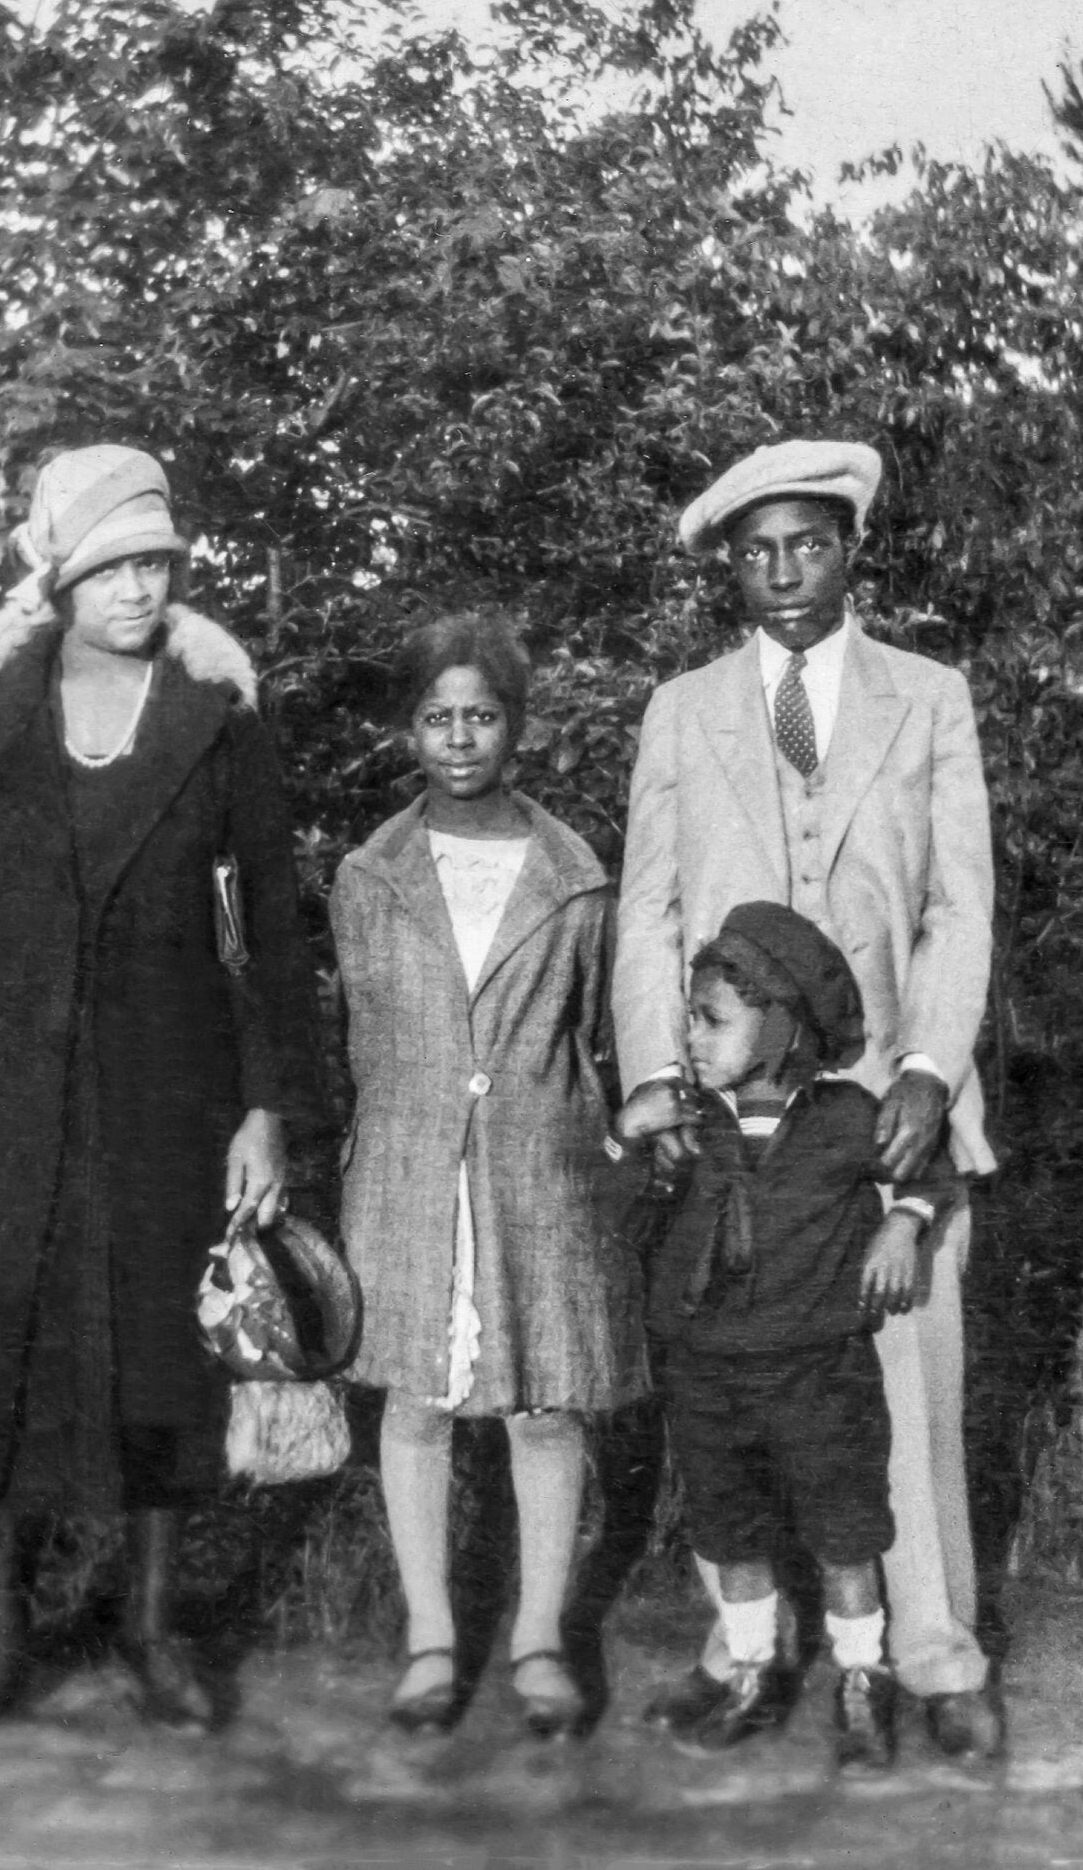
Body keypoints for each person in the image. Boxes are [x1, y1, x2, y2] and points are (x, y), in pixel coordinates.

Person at [0, 444, 321, 1734]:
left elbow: (270, 930)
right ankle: (1, 1628)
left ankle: (149, 1621)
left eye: (157, 563)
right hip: (4, 1083)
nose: (137, 588)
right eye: (111, 564)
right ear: (59, 576)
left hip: (166, 1081)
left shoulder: (218, 713)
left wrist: (264, 1104)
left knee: (164, 1350)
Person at [611, 438, 1004, 1760]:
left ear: (853, 549)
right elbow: (649, 907)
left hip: (888, 1104)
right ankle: (747, 1653)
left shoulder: (930, 696)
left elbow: (959, 903)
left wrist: (930, 1069)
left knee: (904, 1387)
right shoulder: (684, 709)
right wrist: (661, 1075)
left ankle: (939, 1657)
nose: (784, 573)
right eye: (757, 549)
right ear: (731, 562)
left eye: (810, 544)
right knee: (737, 1390)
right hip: (735, 1121)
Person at [328, 612, 643, 1738]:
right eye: (438, 716)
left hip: (539, 1165)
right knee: (415, 1400)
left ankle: (543, 1637)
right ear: (410, 728)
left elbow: (602, 1028)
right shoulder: (370, 873)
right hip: (410, 1163)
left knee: (544, 1405)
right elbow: (363, 1033)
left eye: (482, 715)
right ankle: (427, 1638)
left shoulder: (574, 872)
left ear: (518, 725)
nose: (460, 736)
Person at [620, 902, 917, 1772]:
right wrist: (622, 1137)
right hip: (705, 1374)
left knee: (845, 1528)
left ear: (782, 1028)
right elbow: (614, 1216)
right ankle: (752, 1668)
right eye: (691, 1016)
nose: (693, 1036)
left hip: (818, 1371)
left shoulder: (846, 1116)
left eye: (713, 1019)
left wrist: (905, 1225)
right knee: (730, 1528)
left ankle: (863, 1677)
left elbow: (923, 1168)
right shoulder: (685, 1121)